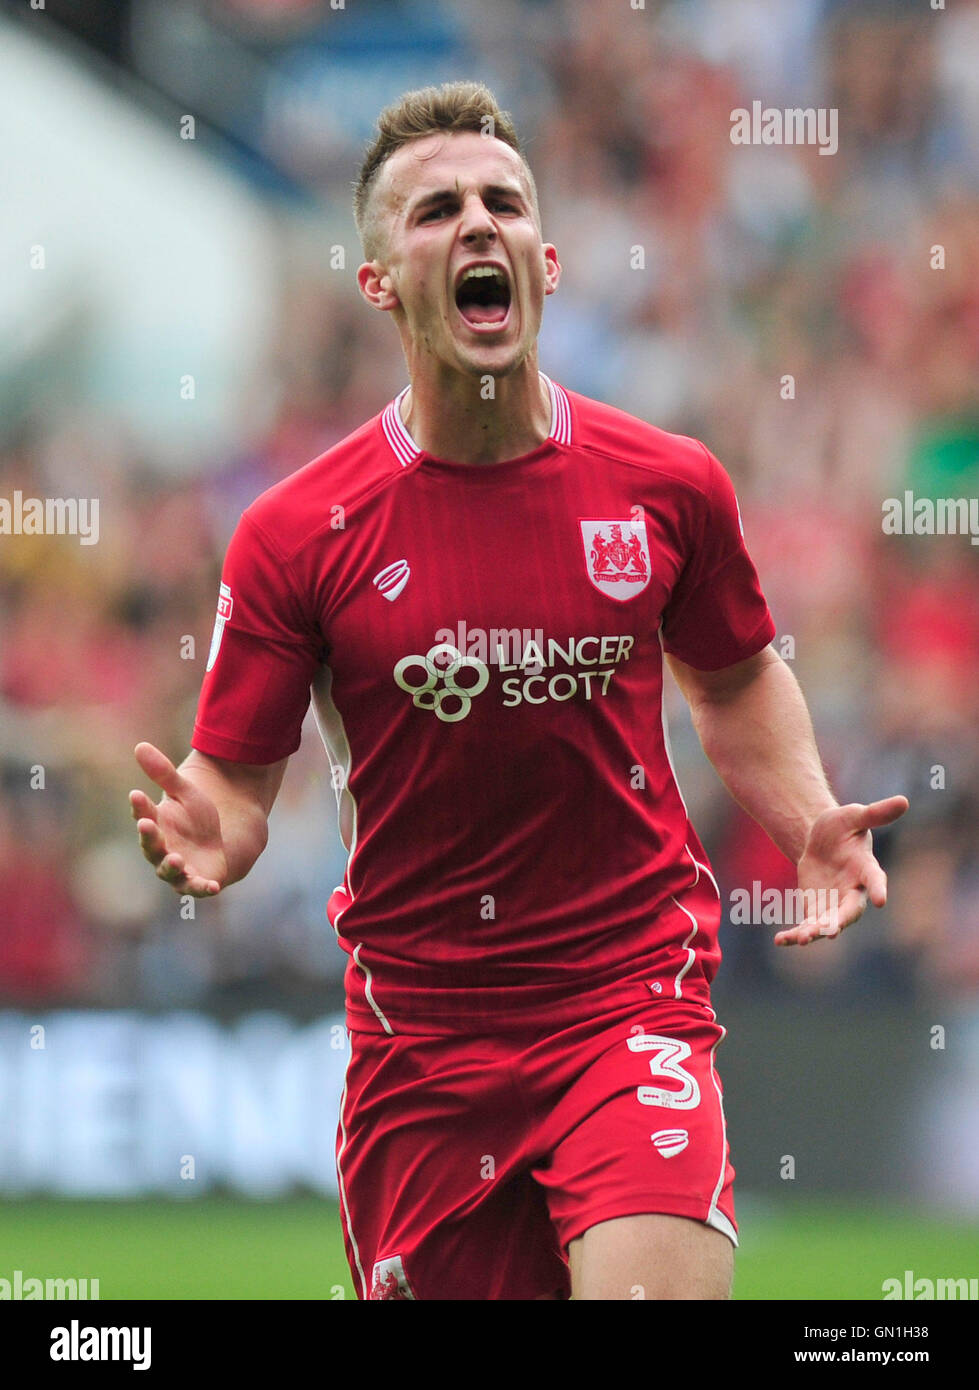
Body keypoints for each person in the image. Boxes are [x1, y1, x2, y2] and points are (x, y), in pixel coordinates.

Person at [130, 81, 909, 1301]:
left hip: (627, 993)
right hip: (424, 1042)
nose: (477, 224)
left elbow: (738, 674)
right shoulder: (294, 532)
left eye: (503, 201)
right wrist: (212, 841)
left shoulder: (669, 485)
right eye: (438, 209)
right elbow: (235, 783)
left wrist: (806, 816)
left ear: (545, 261)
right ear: (381, 281)